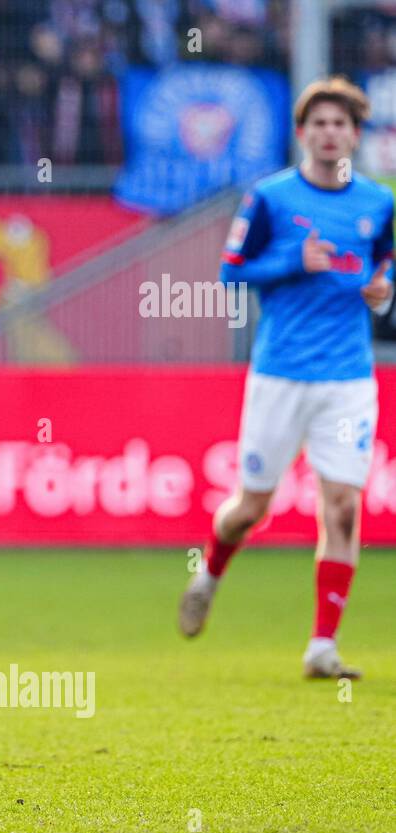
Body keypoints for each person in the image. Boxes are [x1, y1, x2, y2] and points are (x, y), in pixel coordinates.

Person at [178, 77, 393, 680]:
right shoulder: (270, 198)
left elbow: (384, 271)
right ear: (302, 134)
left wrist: (383, 293)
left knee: (344, 508)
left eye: (340, 124)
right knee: (250, 508)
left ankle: (322, 647)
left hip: (348, 378)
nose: (330, 133)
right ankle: (210, 572)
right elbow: (230, 271)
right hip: (279, 374)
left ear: (355, 134)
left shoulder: (379, 203)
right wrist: (291, 262)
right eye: (318, 124)